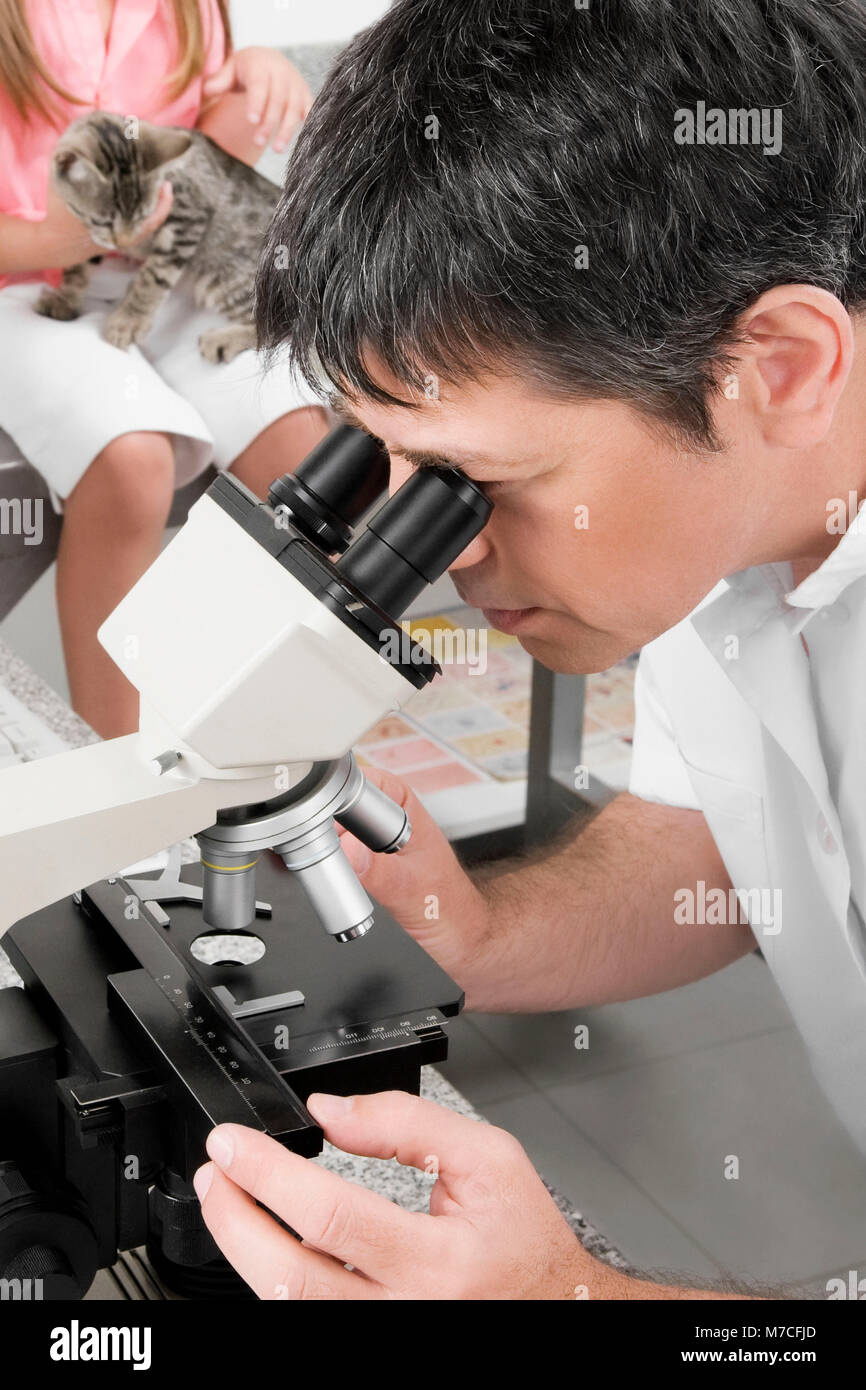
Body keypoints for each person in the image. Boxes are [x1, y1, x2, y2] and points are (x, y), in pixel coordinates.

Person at [191, 0, 866, 1298]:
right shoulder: (720, 522)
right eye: (382, 462)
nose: (442, 555)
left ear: (777, 367)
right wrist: (470, 931)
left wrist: (568, 1296)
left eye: (476, 483)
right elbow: (726, 849)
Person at [0, 0, 330, 737]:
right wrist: (54, 239)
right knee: (132, 459)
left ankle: (248, 735)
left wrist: (250, 80)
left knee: (304, 453)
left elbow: (198, 148)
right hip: (23, 287)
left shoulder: (185, 9)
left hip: (165, 279)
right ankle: (116, 759)